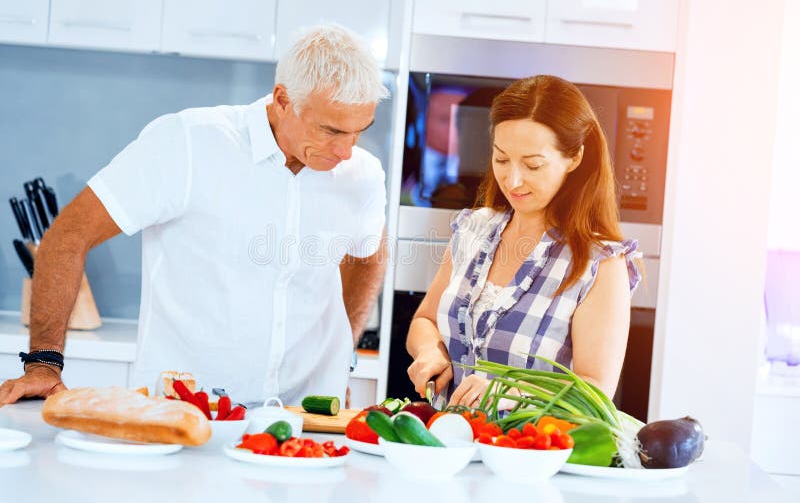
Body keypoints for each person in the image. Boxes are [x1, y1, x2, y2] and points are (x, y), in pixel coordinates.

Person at [0, 24, 389, 407]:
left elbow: (368, 256)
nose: (346, 151)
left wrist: (343, 355)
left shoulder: (362, 176)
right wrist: (43, 364)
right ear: (283, 100)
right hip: (185, 412)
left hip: (308, 418)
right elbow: (69, 234)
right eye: (331, 131)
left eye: (359, 131)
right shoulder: (187, 143)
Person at [405, 75, 641, 408]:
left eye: (533, 165)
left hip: (534, 452)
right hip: (450, 444)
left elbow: (594, 391)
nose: (512, 180)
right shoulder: (473, 229)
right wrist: (431, 351)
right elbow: (425, 320)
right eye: (501, 159)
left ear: (574, 158)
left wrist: (505, 393)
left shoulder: (600, 263)